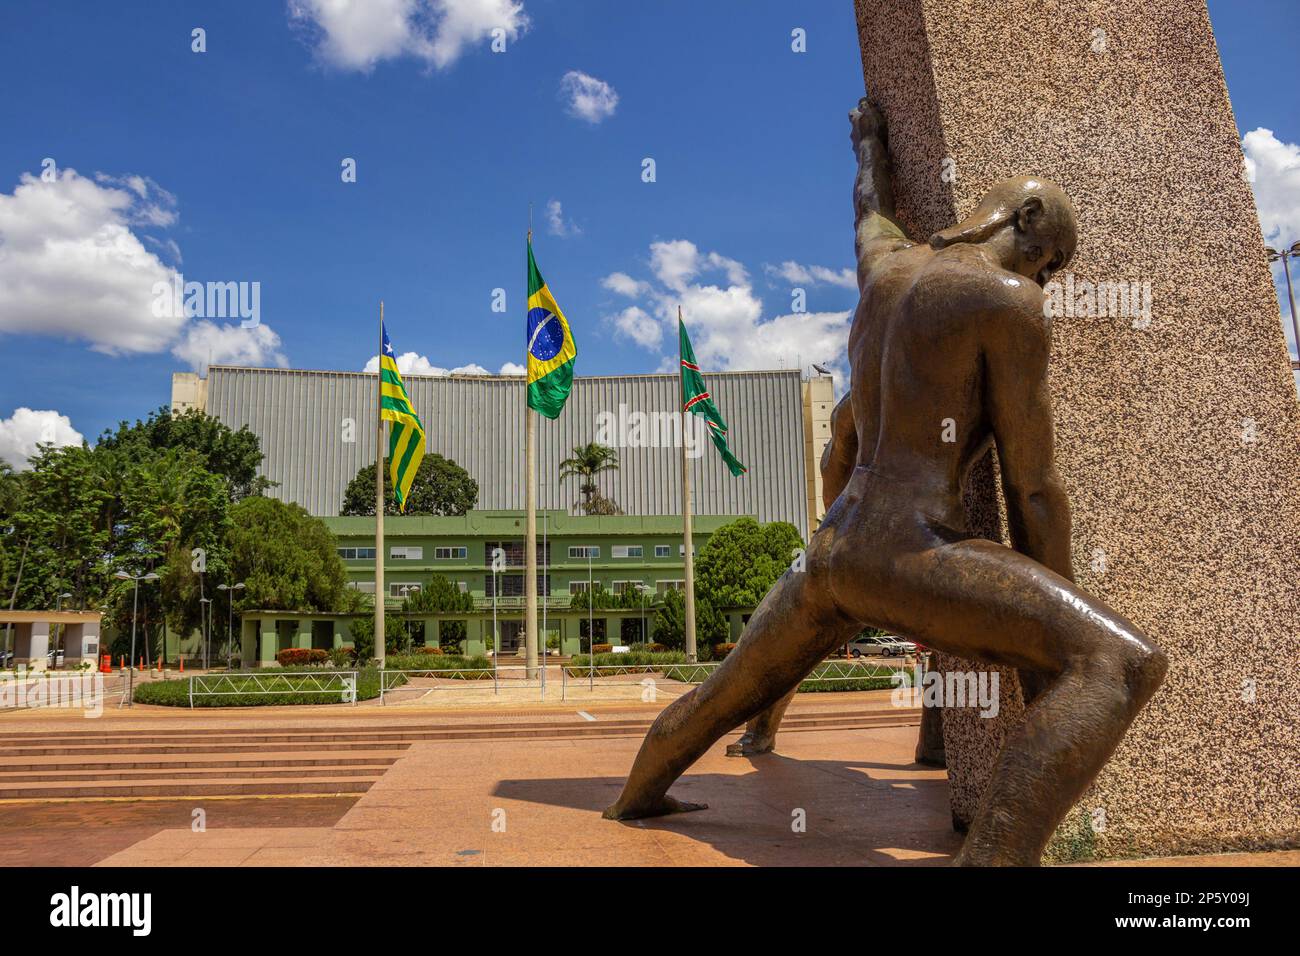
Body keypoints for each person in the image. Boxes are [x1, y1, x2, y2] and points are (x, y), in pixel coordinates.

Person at [603, 98, 1167, 866]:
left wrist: (869, 144)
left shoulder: (884, 270)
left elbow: (870, 207)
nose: (1050, 277)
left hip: (830, 553)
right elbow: (1034, 488)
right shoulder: (1008, 303)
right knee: (1122, 662)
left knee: (722, 695)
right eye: (1052, 259)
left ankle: (637, 796)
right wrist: (1051, 633)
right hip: (911, 554)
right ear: (1027, 218)